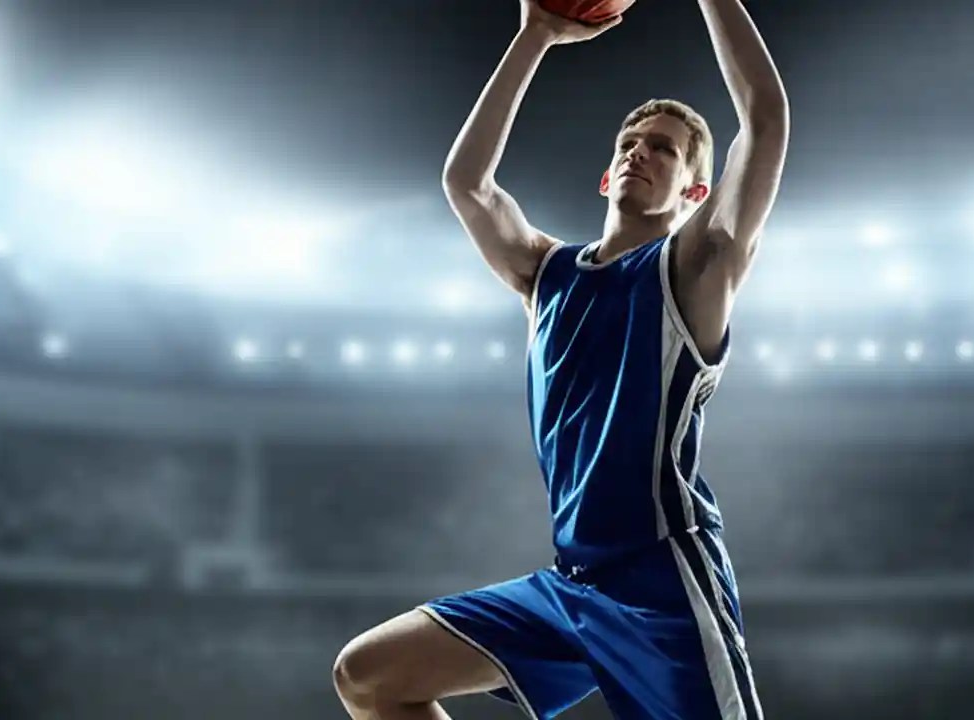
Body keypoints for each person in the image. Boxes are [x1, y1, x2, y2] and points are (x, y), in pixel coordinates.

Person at [333, 0, 788, 717]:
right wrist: (535, 34)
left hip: (667, 584)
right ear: (607, 178)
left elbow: (764, 119)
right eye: (629, 143)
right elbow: (467, 183)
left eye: (663, 149)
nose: (639, 152)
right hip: (573, 585)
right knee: (368, 676)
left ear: (694, 192)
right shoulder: (545, 273)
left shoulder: (697, 269)